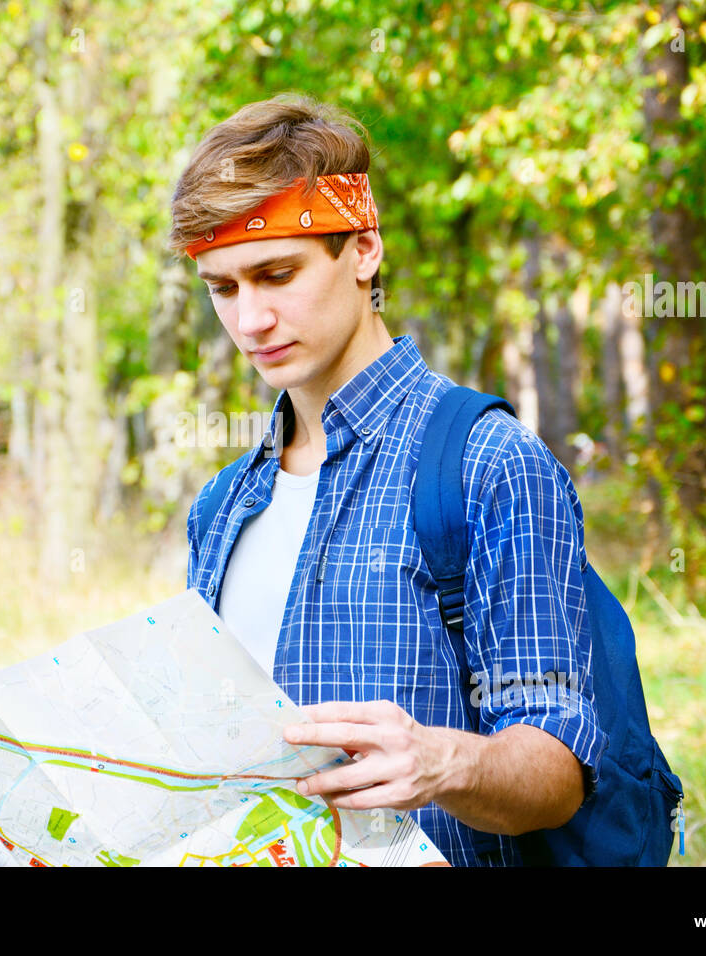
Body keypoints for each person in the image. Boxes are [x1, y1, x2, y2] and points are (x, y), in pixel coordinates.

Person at [168, 94, 606, 866]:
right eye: (223, 288)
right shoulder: (223, 505)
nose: (251, 321)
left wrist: (440, 761)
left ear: (363, 248)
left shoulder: (487, 462)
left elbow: (559, 772)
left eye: (277, 273)